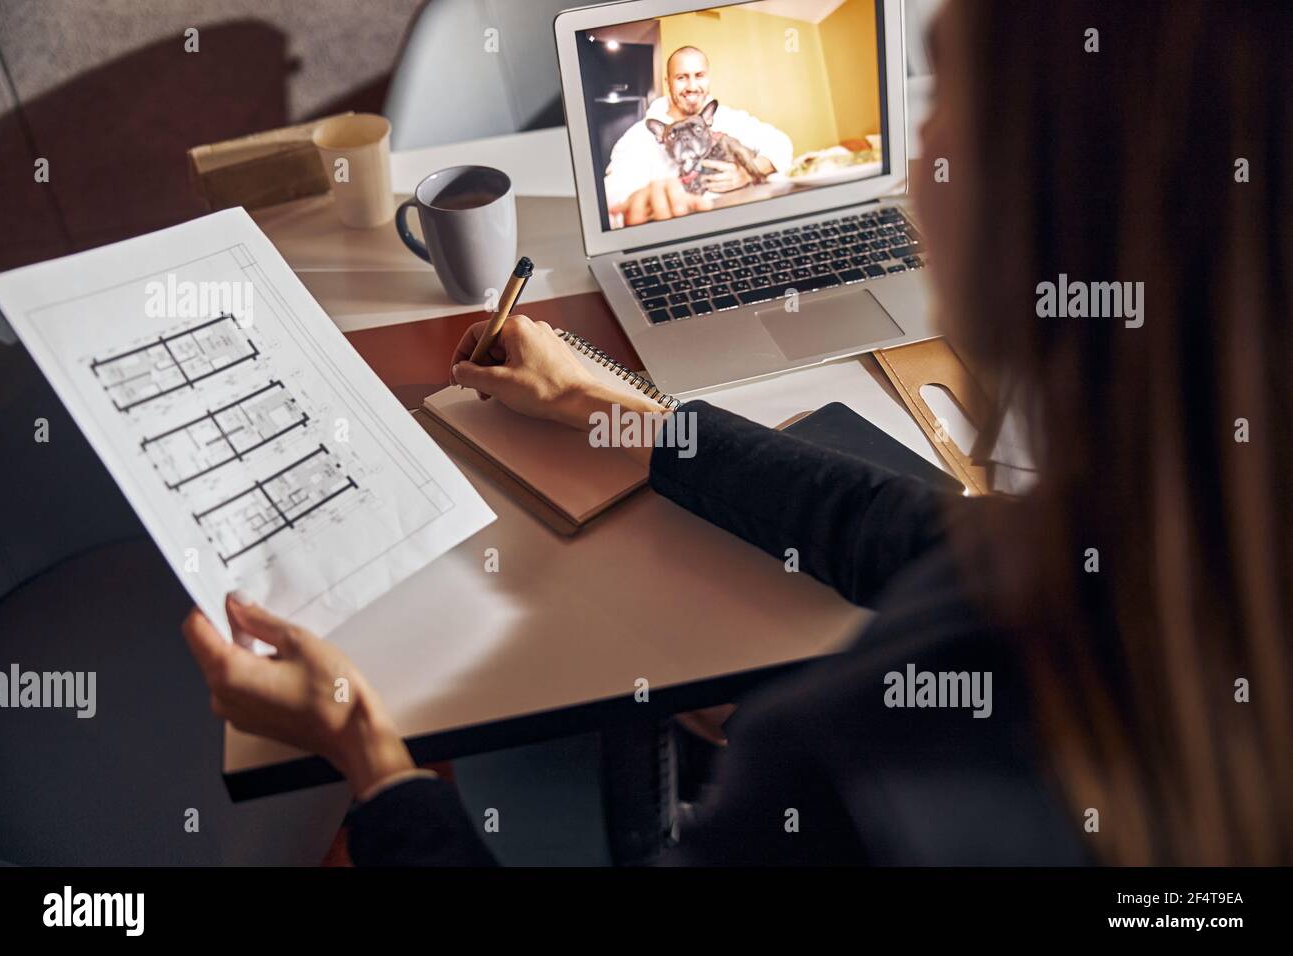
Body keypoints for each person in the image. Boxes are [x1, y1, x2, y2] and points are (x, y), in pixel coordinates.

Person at [183, 0, 1292, 865]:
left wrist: (374, 761)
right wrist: (615, 413)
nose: (914, 151)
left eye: (944, 88)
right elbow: (929, 534)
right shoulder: (1182, 540)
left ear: (1039, 205)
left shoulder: (848, 763)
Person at [603, 46, 793, 226]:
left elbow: (781, 144)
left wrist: (747, 172)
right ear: (667, 82)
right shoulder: (637, 137)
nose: (692, 86)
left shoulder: (730, 117)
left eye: (699, 75)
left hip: (746, 219)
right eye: (681, 77)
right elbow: (613, 197)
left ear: (708, 79)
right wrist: (640, 203)